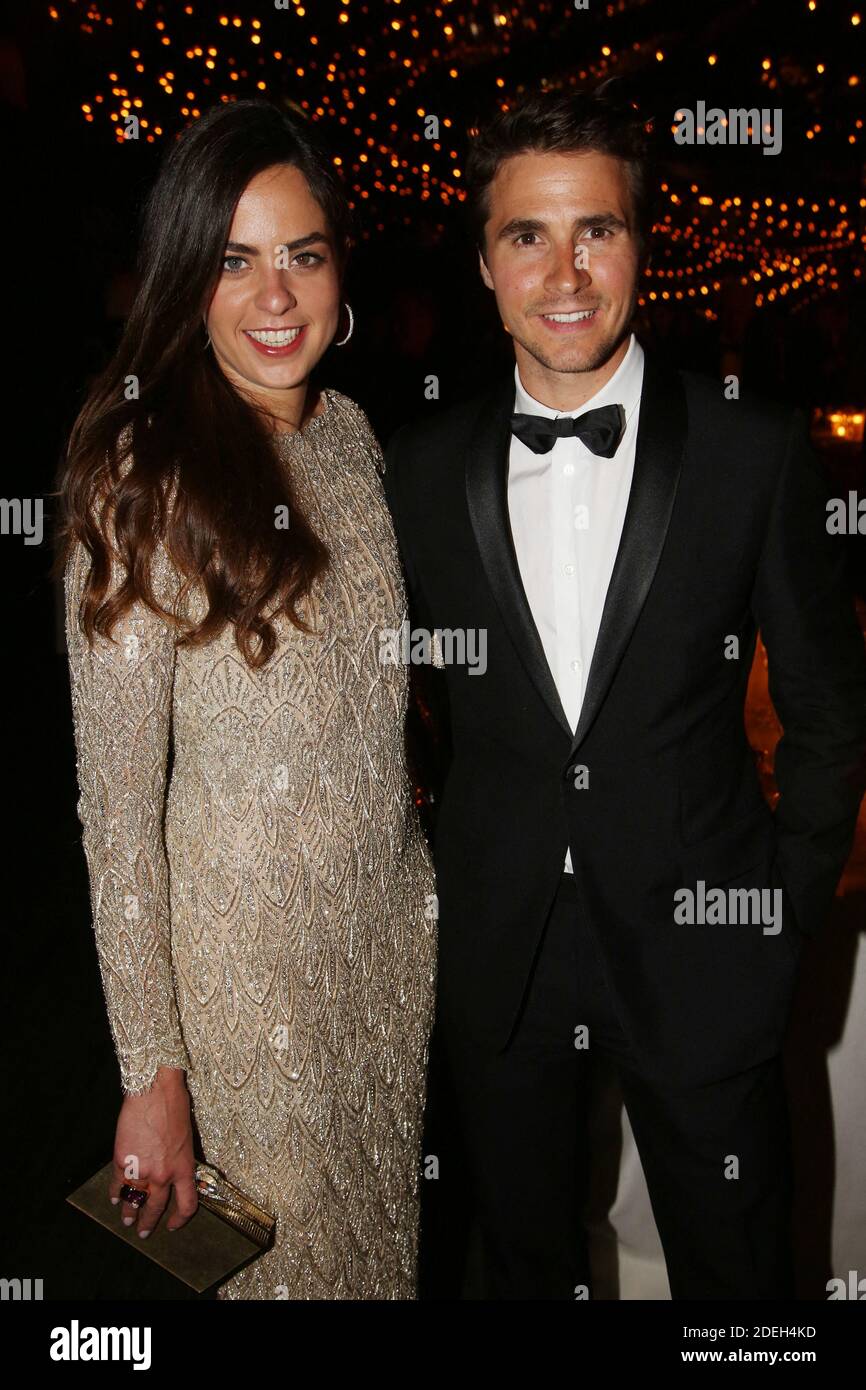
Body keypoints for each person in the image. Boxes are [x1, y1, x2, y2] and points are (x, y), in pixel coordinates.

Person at [382, 85, 866, 1299]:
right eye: (524, 235)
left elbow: (825, 704)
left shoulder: (751, 448)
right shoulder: (420, 470)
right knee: (524, 1265)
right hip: (502, 959)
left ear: (640, 248)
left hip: (706, 948)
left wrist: (783, 912)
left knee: (737, 1281)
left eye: (593, 229)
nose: (563, 271)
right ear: (485, 264)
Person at [57, 99, 436, 1300]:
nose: (275, 297)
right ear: (185, 280)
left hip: (387, 957)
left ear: (337, 274)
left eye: (301, 255)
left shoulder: (357, 436)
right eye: (234, 260)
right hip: (245, 1001)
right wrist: (151, 1070)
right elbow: (115, 814)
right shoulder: (139, 473)